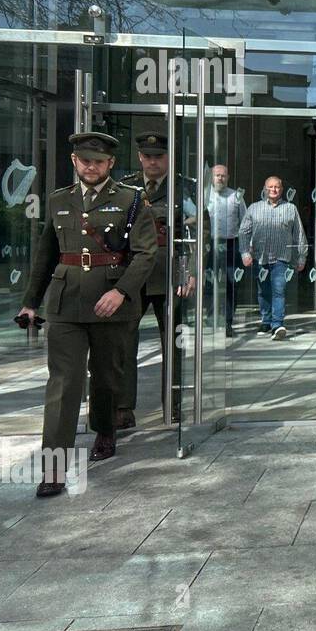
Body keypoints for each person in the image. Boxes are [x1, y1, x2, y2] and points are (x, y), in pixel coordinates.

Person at [17, 133, 157, 496]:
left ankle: (106, 429)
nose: (90, 166)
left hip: (111, 302)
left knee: (108, 377)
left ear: (110, 163)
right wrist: (31, 300)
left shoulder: (131, 201)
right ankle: (54, 468)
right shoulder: (58, 201)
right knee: (63, 385)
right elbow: (45, 255)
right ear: (74, 161)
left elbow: (145, 254)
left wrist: (121, 291)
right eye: (84, 160)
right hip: (66, 304)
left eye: (98, 161)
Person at [118, 131, 195, 427]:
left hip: (170, 275)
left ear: (168, 158)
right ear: (139, 157)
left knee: (173, 344)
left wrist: (190, 272)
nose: (152, 162)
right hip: (132, 276)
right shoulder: (125, 189)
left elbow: (197, 234)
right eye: (147, 156)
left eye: (158, 156)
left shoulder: (184, 189)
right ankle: (123, 407)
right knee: (124, 344)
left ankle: (173, 404)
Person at [238, 176, 307, 340]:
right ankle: (266, 320)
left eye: (277, 187)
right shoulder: (254, 208)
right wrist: (245, 253)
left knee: (278, 290)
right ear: (265, 189)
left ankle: (277, 324)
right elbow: (243, 232)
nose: (274, 190)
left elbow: (299, 234)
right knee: (263, 291)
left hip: (281, 258)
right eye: (270, 187)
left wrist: (302, 257)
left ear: (281, 190)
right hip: (259, 258)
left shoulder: (291, 208)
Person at [206, 164, 245, 337]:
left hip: (231, 244)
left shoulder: (236, 196)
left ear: (228, 177)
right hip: (210, 244)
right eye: (217, 175)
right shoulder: (204, 196)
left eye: (223, 175)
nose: (220, 178)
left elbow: (245, 222)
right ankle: (211, 317)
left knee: (231, 283)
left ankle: (228, 322)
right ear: (212, 177)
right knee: (210, 282)